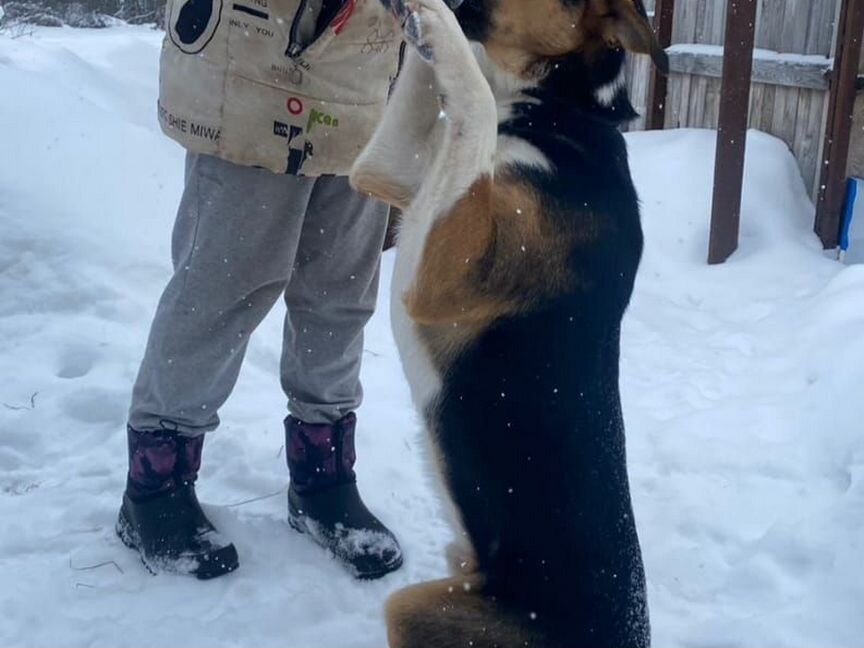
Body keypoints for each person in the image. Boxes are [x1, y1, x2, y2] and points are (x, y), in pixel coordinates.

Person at [115, 0, 404, 580]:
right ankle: (154, 487)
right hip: (256, 65)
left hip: (366, 76)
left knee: (340, 293)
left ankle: (323, 481)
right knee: (222, 287)